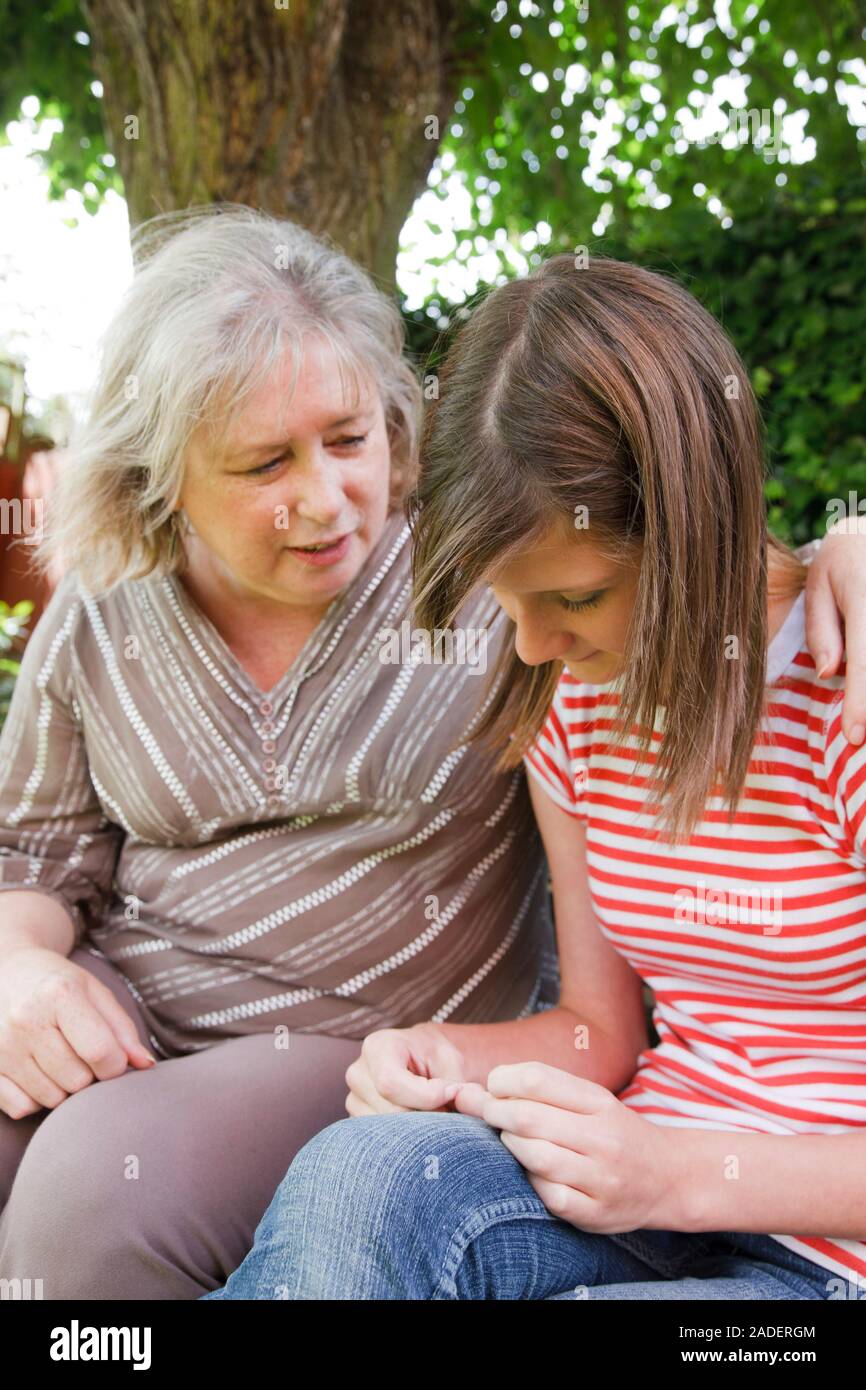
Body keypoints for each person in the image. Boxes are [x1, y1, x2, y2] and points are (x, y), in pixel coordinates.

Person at [202, 253, 866, 1300]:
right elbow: (599, 1031)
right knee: (361, 1177)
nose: (532, 645)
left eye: (576, 595)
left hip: (820, 1261)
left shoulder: (842, 697)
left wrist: (680, 1177)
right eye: (506, 602)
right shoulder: (576, 704)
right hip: (631, 1188)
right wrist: (435, 1056)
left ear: (697, 522)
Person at [0, 204, 562, 1300]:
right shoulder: (104, 614)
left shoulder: (482, 577)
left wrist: (846, 552)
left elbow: (690, 586)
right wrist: (19, 968)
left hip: (370, 1049)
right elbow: (34, 855)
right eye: (263, 463)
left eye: (348, 439)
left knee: (93, 1200)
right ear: (162, 475)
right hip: (125, 1014)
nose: (322, 498)